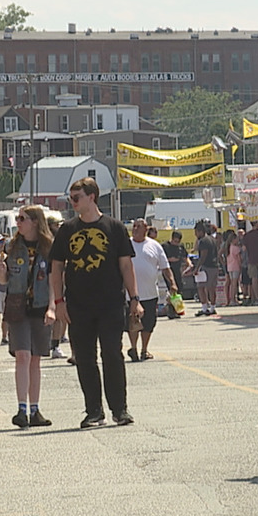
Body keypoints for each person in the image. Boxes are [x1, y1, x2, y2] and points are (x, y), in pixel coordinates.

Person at [50, 177, 140, 428]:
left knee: (112, 354)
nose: (73, 202)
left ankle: (120, 409)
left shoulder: (114, 227)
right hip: (78, 305)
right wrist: (58, 302)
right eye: (71, 198)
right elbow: (56, 268)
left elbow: (126, 265)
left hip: (111, 303)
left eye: (77, 197)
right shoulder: (67, 230)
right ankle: (94, 411)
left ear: (92, 197)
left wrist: (135, 299)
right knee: (85, 358)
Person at [0, 206, 57, 427]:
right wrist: (1, 272)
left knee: (36, 359)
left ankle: (35, 410)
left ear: (35, 222)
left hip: (40, 307)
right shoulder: (13, 247)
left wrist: (52, 307)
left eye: (22, 218)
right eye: (17, 218)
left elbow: (54, 280)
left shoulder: (49, 248)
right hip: (18, 306)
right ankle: (21, 409)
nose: (18, 222)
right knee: (22, 355)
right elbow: (5, 280)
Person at [128, 218, 176, 361]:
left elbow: (165, 267)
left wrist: (172, 283)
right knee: (133, 322)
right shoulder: (126, 244)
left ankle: (144, 350)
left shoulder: (154, 246)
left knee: (148, 323)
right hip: (130, 294)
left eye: (138, 226)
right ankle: (133, 349)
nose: (135, 229)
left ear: (146, 229)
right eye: (134, 226)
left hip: (150, 293)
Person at [46, 217, 70, 360]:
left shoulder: (61, 240)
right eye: (57, 224)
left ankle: (55, 345)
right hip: (44, 279)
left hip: (58, 278)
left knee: (58, 312)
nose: (59, 227)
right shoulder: (45, 242)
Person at [194, 221, 220, 316]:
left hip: (206, 267)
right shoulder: (212, 239)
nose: (195, 234)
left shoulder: (203, 241)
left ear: (200, 231)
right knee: (212, 288)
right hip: (214, 266)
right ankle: (212, 308)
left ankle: (205, 308)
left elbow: (203, 256)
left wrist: (197, 268)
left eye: (196, 232)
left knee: (201, 287)